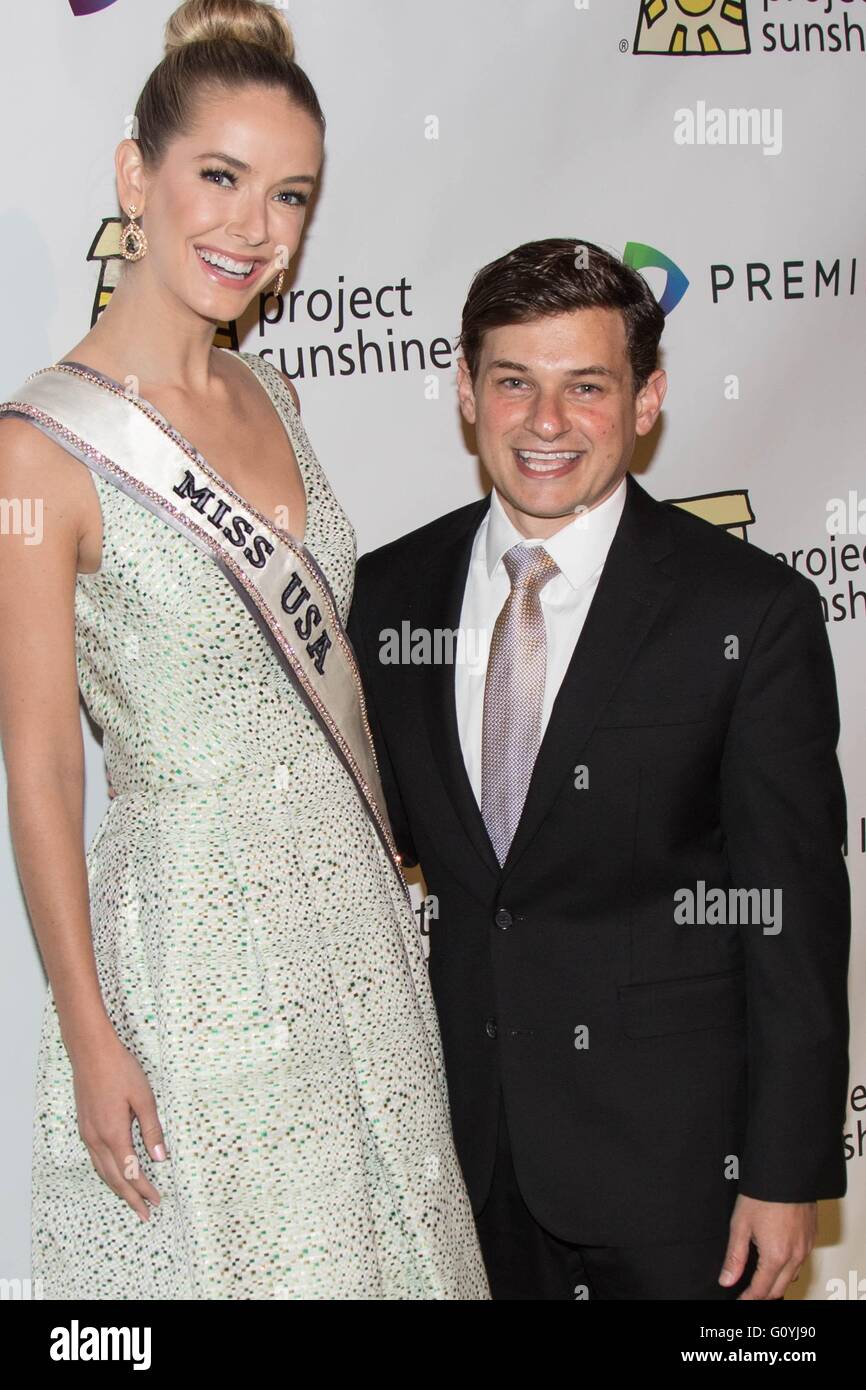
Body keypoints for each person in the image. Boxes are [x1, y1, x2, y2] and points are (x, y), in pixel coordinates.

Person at [0, 0, 489, 1301]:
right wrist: (90, 1029)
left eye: (288, 197)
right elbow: (44, 767)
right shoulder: (37, 452)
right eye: (218, 176)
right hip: (194, 941)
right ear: (133, 176)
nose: (251, 230)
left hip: (351, 923)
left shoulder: (276, 390)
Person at [346, 237, 851, 1300]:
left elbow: (791, 911)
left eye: (585, 386)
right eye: (513, 382)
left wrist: (781, 1169)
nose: (543, 422)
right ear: (464, 391)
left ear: (646, 398)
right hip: (458, 1159)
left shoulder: (744, 612)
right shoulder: (386, 595)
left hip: (676, 1175)